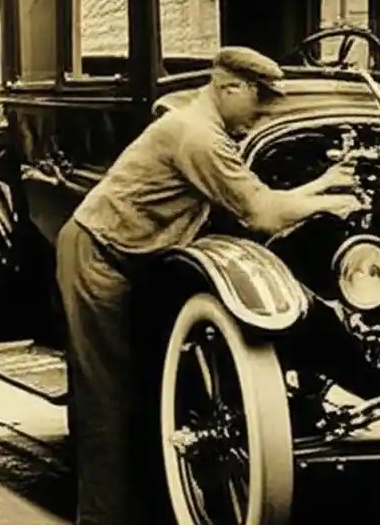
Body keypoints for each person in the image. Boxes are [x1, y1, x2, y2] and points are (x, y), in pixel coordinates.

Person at [57, 47, 363, 525]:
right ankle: (102, 518)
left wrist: (323, 185)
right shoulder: (198, 136)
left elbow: (261, 198)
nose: (263, 112)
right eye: (259, 100)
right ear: (229, 88)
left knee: (136, 389)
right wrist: (323, 207)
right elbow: (259, 213)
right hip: (100, 255)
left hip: (127, 253)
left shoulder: (199, 125)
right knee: (108, 399)